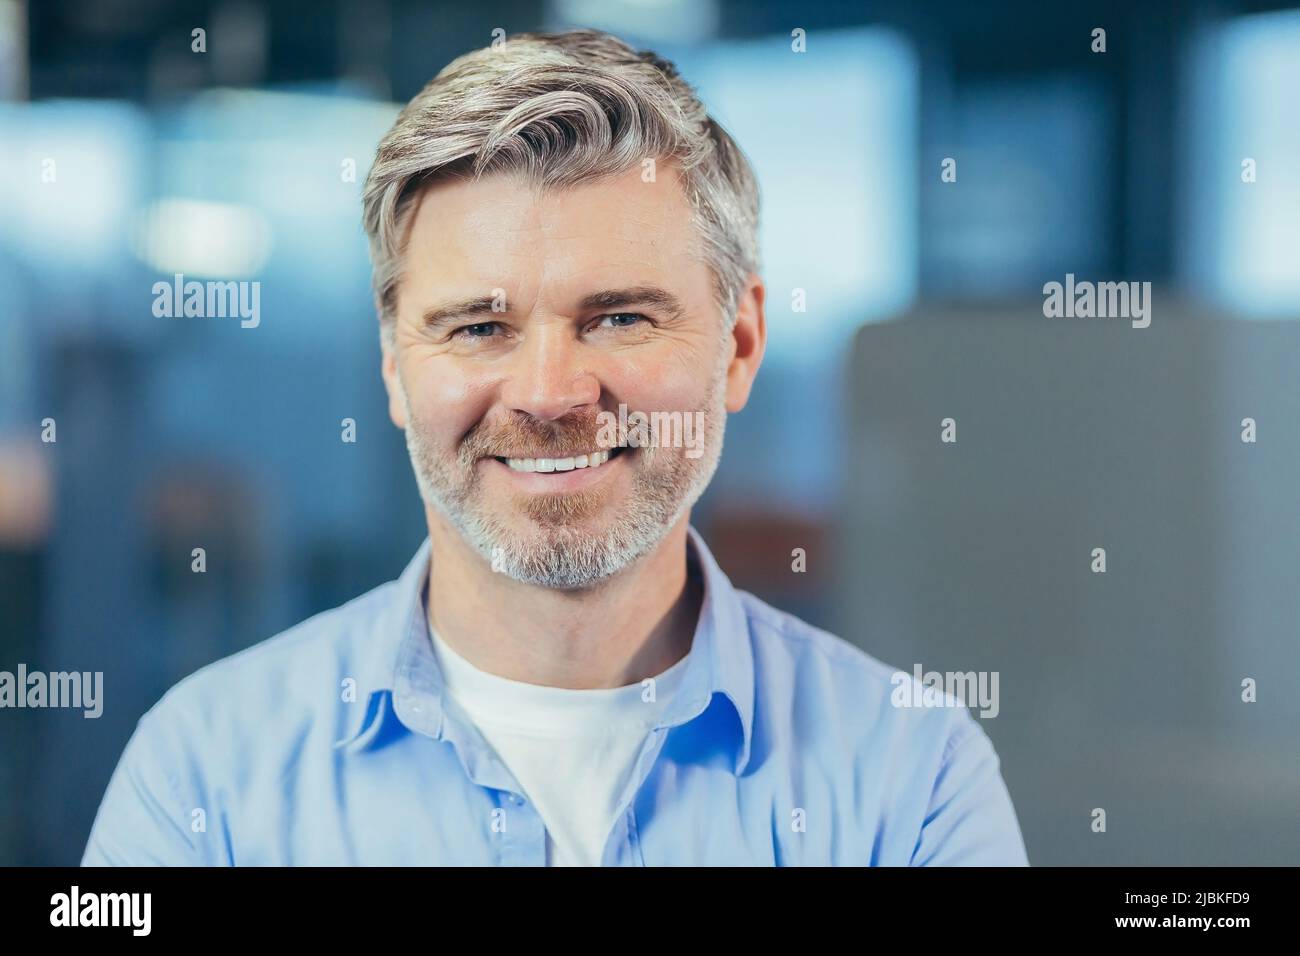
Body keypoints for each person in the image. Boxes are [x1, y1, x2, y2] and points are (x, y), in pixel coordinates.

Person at [83, 28, 1028, 866]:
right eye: (476, 329)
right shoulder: (201, 781)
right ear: (392, 370)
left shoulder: (912, 784)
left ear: (738, 347)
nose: (547, 395)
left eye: (618, 317)